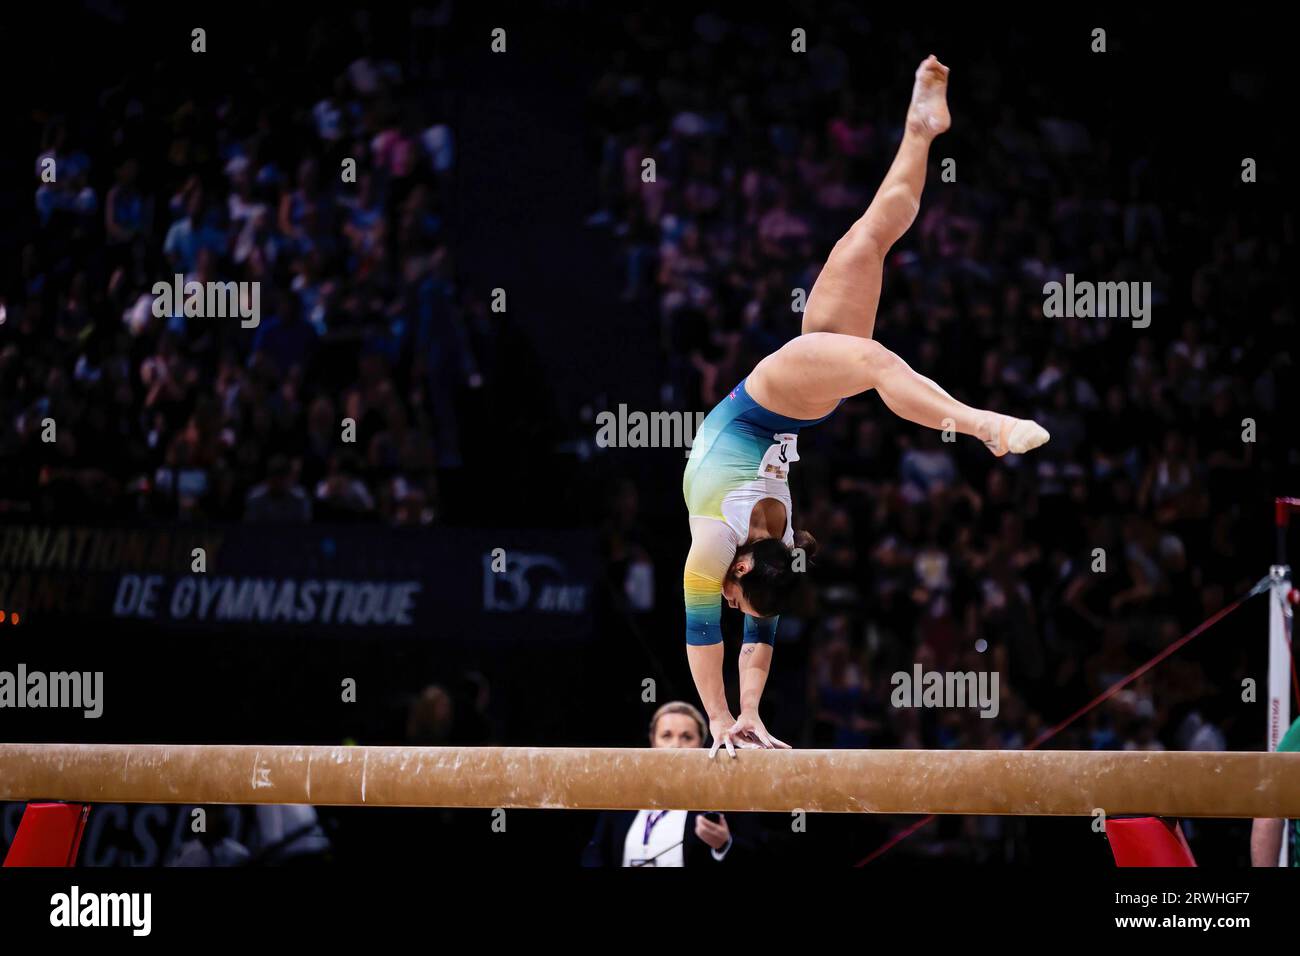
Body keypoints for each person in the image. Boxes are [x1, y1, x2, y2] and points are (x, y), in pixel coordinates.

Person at [682, 57, 1050, 757]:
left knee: (872, 302)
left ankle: (983, 425)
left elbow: (707, 635)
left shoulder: (713, 544)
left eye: (731, 599)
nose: (728, 606)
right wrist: (739, 718)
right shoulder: (772, 559)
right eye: (736, 599)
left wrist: (726, 721)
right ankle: (921, 130)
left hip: (764, 402)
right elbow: (749, 630)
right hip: (792, 406)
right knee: (870, 288)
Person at [581, 702, 746, 866]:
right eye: (667, 735)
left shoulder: (718, 802)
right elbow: (595, 852)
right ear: (653, 742)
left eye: (687, 737)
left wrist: (724, 846)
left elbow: (755, 853)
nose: (676, 745)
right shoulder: (624, 798)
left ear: (701, 745)